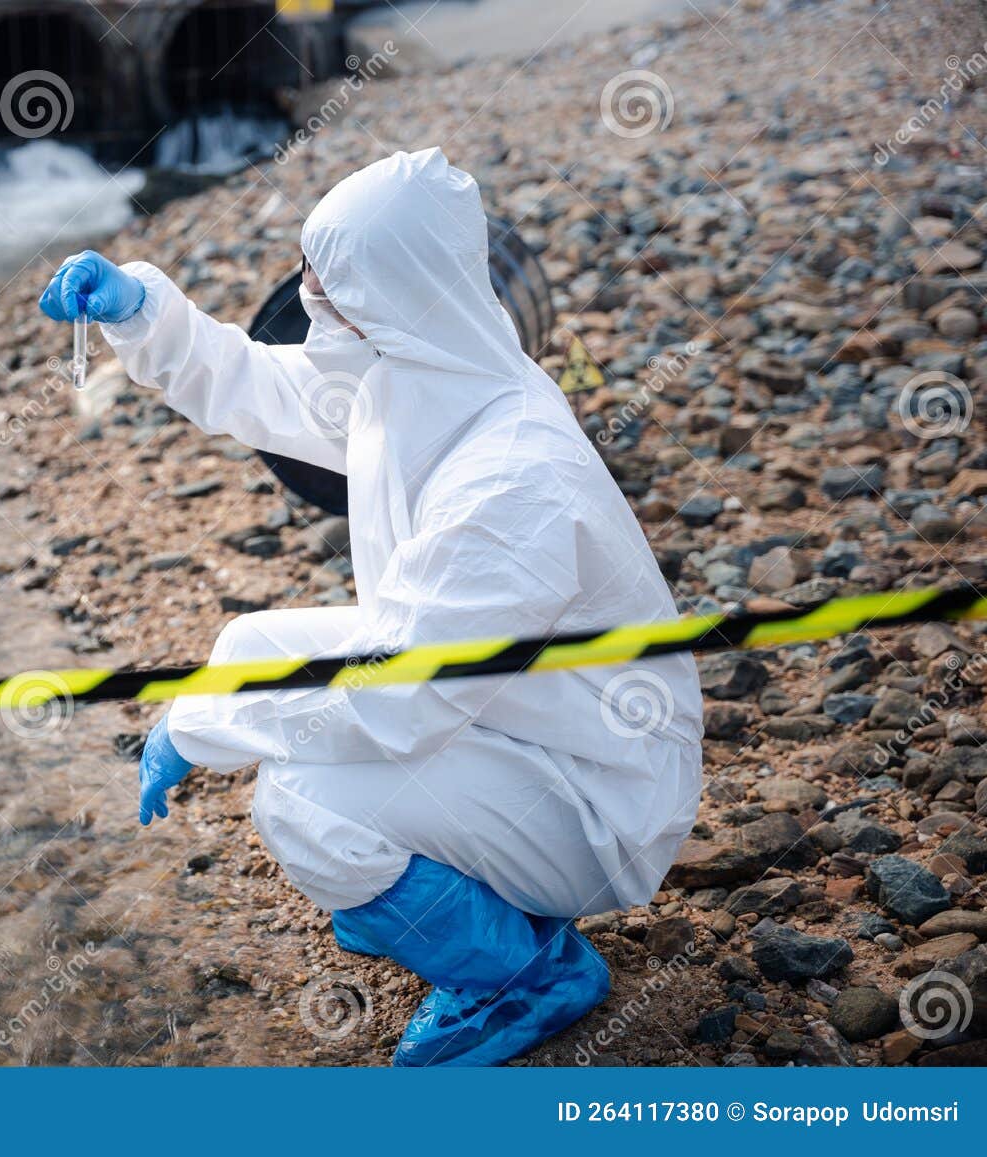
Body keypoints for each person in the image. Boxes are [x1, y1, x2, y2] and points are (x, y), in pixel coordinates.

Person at [38, 148, 702, 1066]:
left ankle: (524, 975)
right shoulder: (422, 377)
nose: (306, 291)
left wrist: (204, 723)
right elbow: (269, 389)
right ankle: (423, 895)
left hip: (595, 788)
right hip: (519, 708)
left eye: (327, 278)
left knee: (302, 801)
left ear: (395, 290)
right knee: (251, 641)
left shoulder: (512, 484)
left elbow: (393, 696)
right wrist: (147, 313)